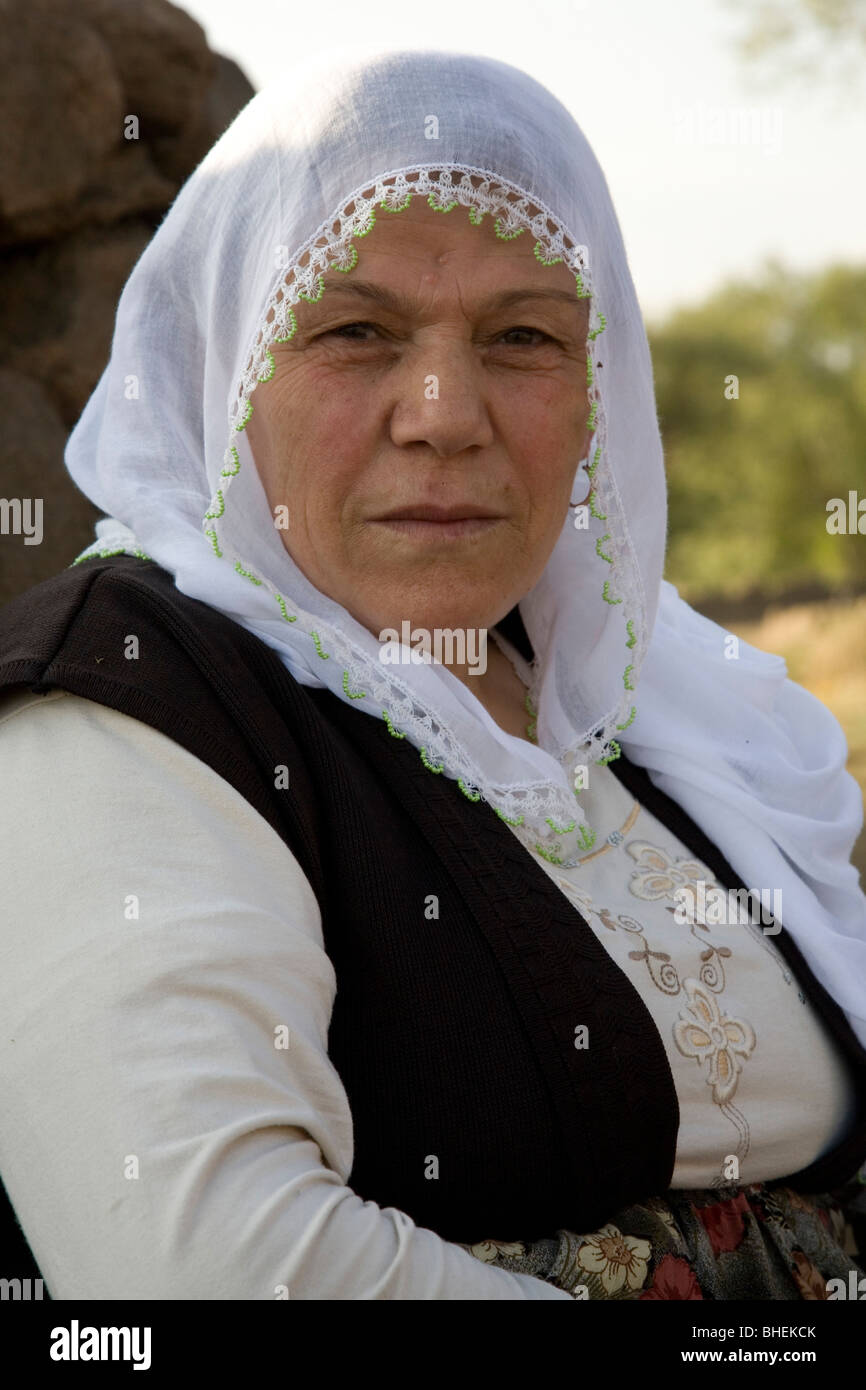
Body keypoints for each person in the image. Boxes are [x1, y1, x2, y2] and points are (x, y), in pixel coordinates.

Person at [1, 47, 865, 1302]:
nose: (443, 412)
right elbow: (204, 1267)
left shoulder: (650, 694)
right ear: (229, 377)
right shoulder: (123, 699)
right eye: (355, 331)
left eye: (523, 336)